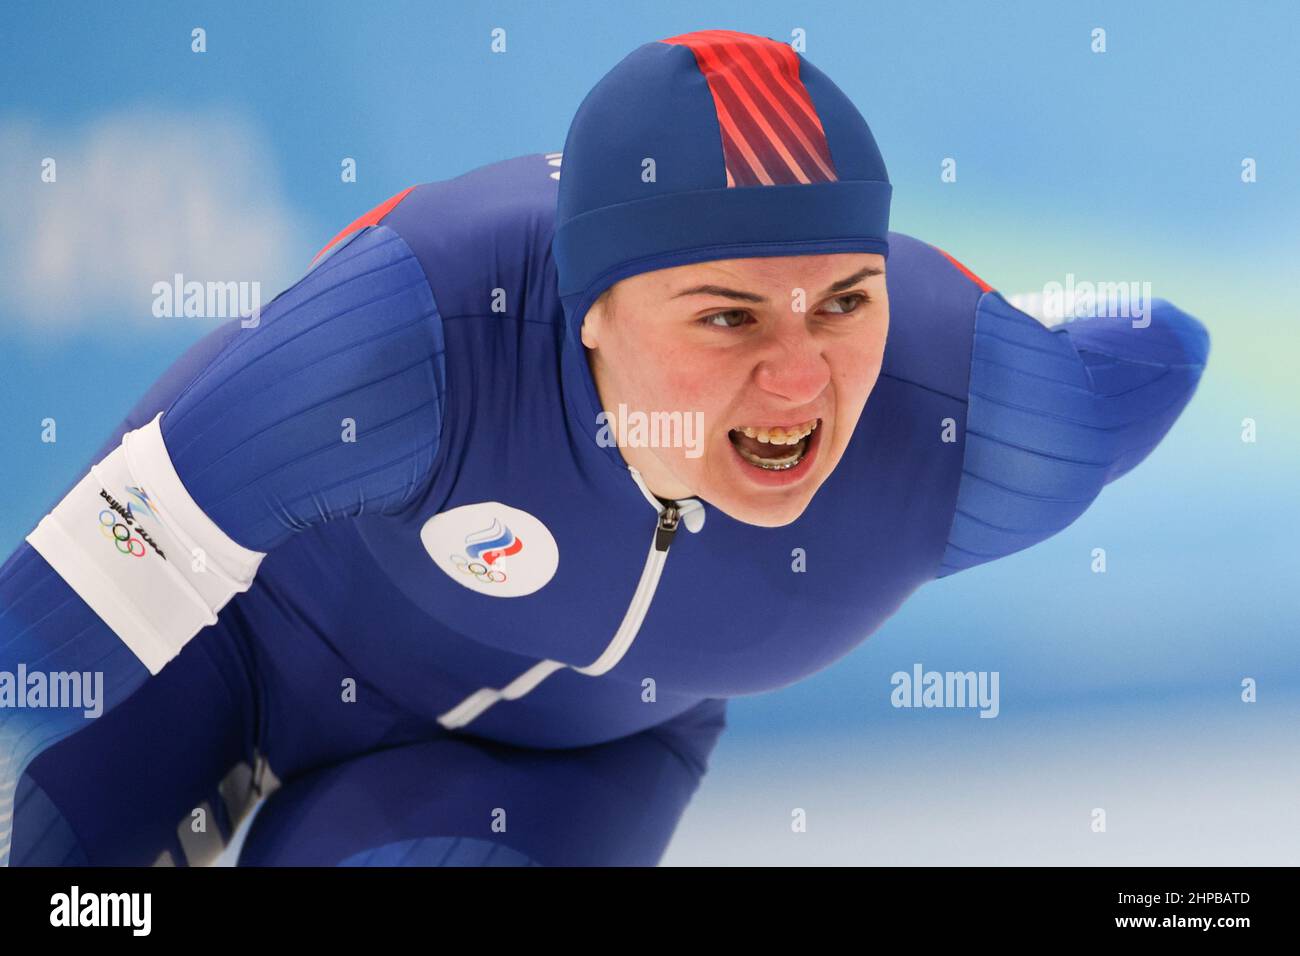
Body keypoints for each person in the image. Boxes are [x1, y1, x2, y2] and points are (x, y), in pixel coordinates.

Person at [0, 29, 1209, 866]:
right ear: (589, 307)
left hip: (559, 768)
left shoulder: (977, 423)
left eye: (844, 301)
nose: (799, 380)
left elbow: (1155, 353)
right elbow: (73, 608)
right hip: (231, 646)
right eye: (726, 314)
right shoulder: (412, 337)